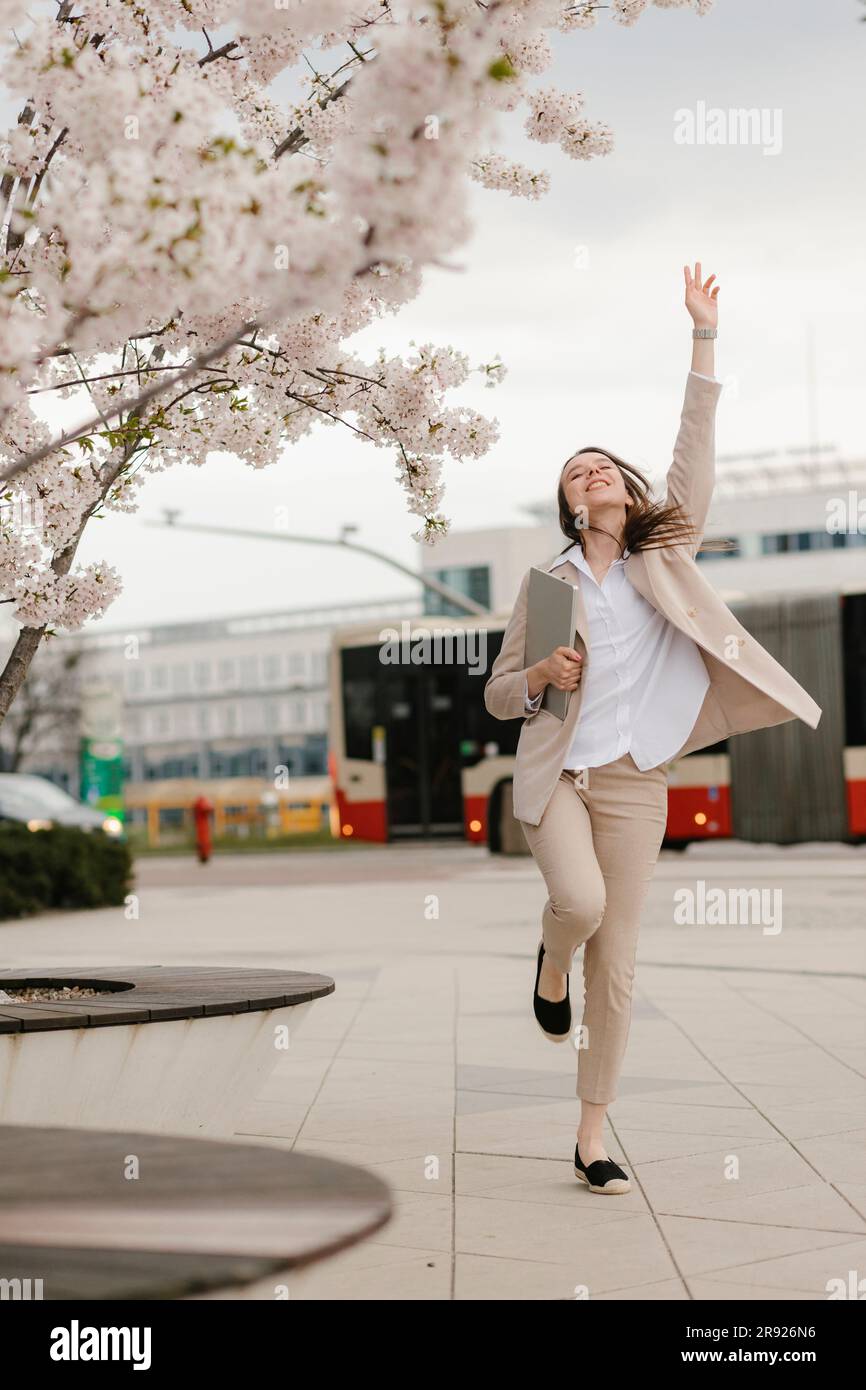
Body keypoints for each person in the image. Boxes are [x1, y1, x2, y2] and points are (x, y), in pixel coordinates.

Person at [483, 263, 822, 1195]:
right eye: (573, 473)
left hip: (636, 780)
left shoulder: (664, 556)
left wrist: (703, 338)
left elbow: (694, 450)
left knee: (622, 967)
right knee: (581, 912)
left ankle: (592, 1131)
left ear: (624, 490)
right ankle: (550, 964)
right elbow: (500, 695)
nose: (589, 473)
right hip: (559, 782)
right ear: (567, 508)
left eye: (600, 466)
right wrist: (542, 676)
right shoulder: (548, 586)